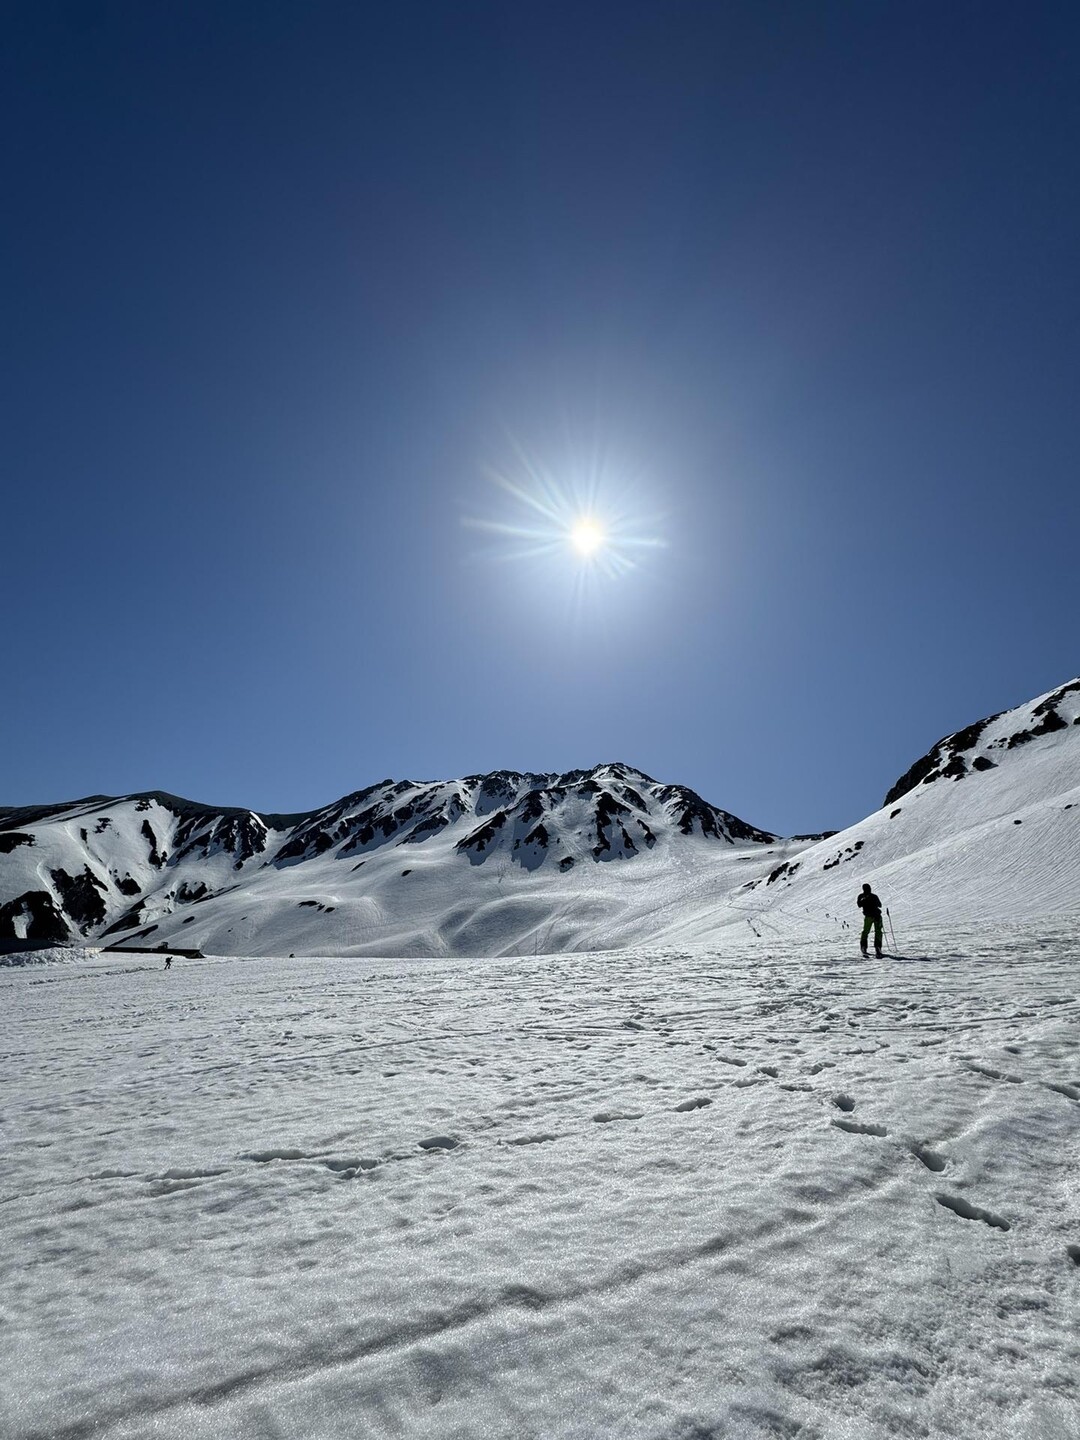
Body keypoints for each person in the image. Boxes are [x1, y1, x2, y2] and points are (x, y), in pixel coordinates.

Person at [857, 883, 883, 957]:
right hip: (876, 916)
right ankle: (877, 947)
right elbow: (879, 905)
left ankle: (864, 947)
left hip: (869, 916)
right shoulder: (873, 896)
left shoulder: (861, 896)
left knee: (866, 931)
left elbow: (859, 904)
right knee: (878, 932)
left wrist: (865, 900)